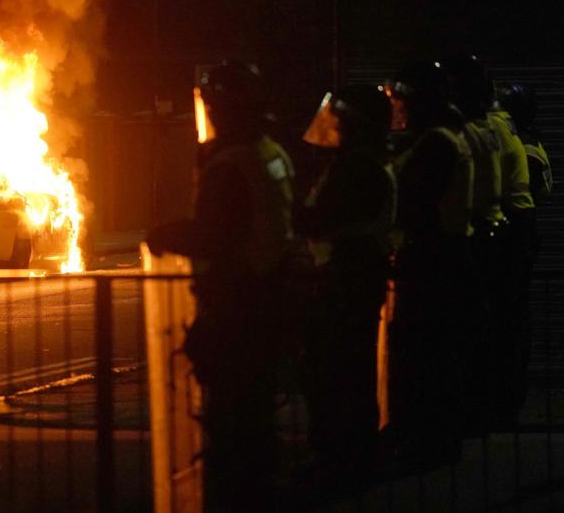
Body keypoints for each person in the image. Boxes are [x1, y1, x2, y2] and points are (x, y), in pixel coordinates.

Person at [146, 61, 294, 512]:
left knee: (232, 417)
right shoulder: (270, 152)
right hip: (268, 292)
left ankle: (237, 497)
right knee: (254, 412)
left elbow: (216, 233)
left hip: (238, 301)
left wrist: (166, 235)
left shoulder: (232, 164)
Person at [296, 85, 395, 491]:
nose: (331, 124)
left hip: (348, 276)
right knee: (345, 371)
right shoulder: (362, 163)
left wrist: (289, 210)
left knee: (338, 373)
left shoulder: (357, 168)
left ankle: (342, 461)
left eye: (339, 118)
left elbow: (320, 220)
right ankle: (351, 458)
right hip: (354, 273)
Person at [385, 61, 474, 467]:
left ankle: (428, 440)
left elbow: (414, 201)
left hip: (432, 257)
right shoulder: (444, 136)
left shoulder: (436, 142)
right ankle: (435, 438)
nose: (398, 108)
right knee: (435, 350)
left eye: (402, 99)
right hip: (444, 255)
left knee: (423, 351)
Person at [443, 54, 511, 433]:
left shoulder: (463, 134)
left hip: (472, 237)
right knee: (485, 327)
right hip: (491, 233)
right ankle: (485, 407)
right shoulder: (491, 129)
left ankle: (467, 411)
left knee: (464, 330)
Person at [496, 83, 548, 422]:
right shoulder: (532, 143)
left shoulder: (524, 149)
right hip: (525, 233)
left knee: (509, 316)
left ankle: (508, 395)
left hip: (516, 234)